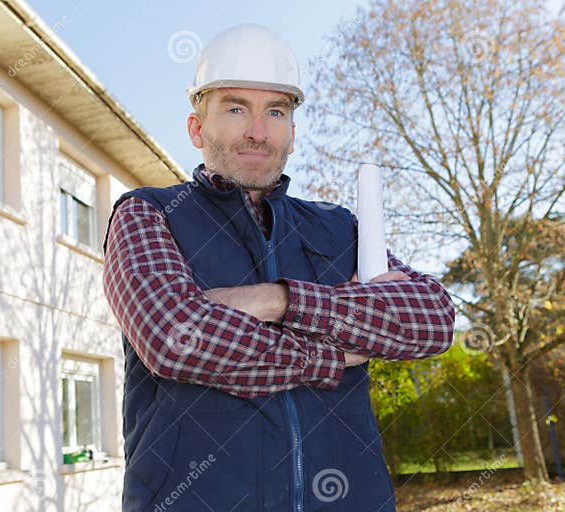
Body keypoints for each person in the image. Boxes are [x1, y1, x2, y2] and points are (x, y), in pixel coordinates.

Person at [103, 23, 455, 512]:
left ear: (292, 129)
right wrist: (327, 356)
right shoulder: (148, 214)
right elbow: (175, 337)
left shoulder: (338, 229)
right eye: (235, 108)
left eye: (276, 110)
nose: (257, 130)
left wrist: (279, 300)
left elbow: (431, 321)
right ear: (195, 127)